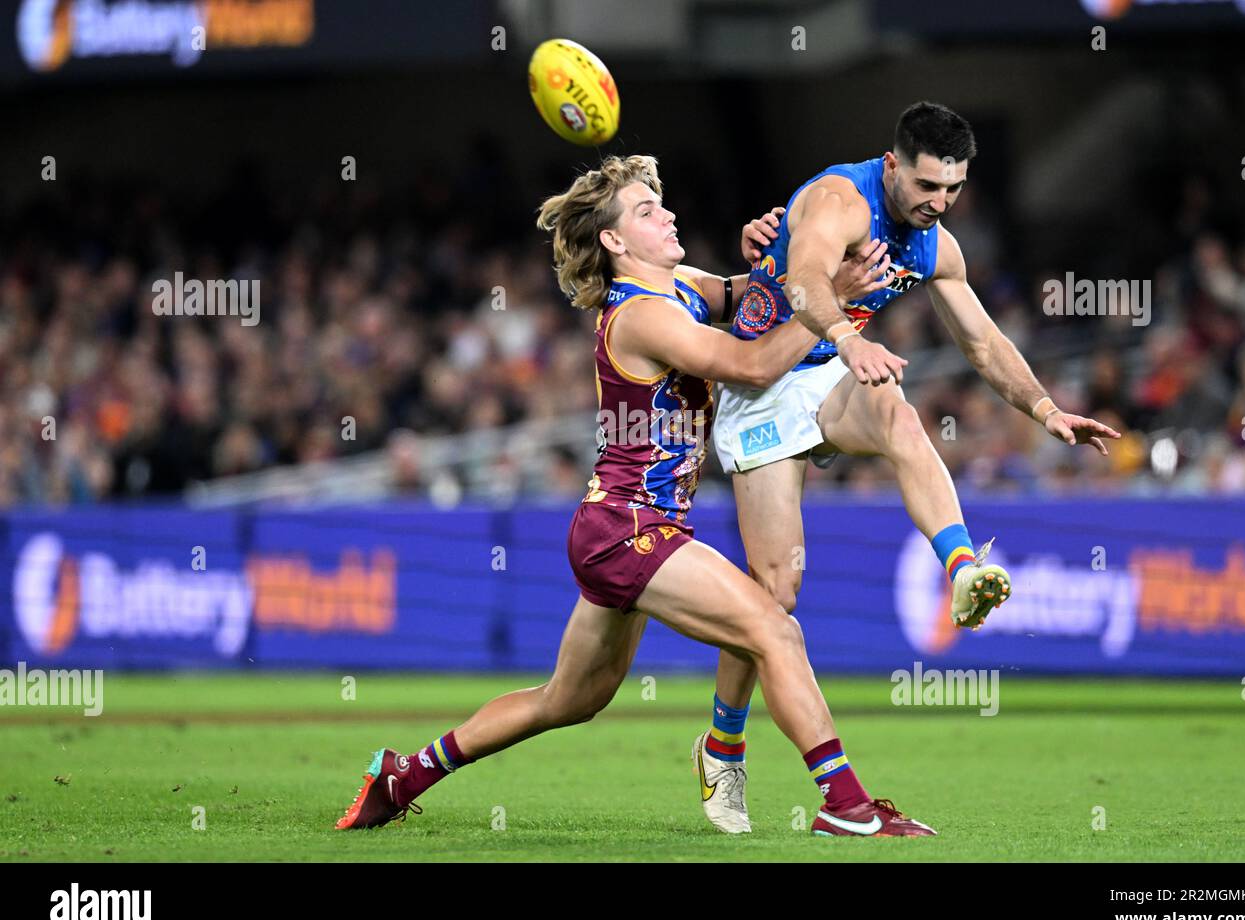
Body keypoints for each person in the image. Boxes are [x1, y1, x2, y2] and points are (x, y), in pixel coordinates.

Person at [336, 154, 936, 837]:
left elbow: (756, 299)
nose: (668, 213)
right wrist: (824, 297)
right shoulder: (643, 314)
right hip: (629, 529)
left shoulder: (679, 285)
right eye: (647, 211)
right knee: (774, 627)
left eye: (663, 203)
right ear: (616, 242)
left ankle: (403, 774)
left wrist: (784, 256)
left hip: (618, 530)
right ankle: (846, 804)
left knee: (565, 700)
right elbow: (750, 362)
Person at [695, 102, 1122, 834]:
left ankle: (961, 569)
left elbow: (983, 344)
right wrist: (845, 334)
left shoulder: (933, 243)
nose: (940, 203)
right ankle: (722, 743)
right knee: (774, 595)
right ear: (893, 165)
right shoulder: (839, 200)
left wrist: (1046, 409)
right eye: (927, 186)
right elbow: (803, 282)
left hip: (829, 377)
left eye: (953, 189)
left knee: (898, 410)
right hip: (760, 384)